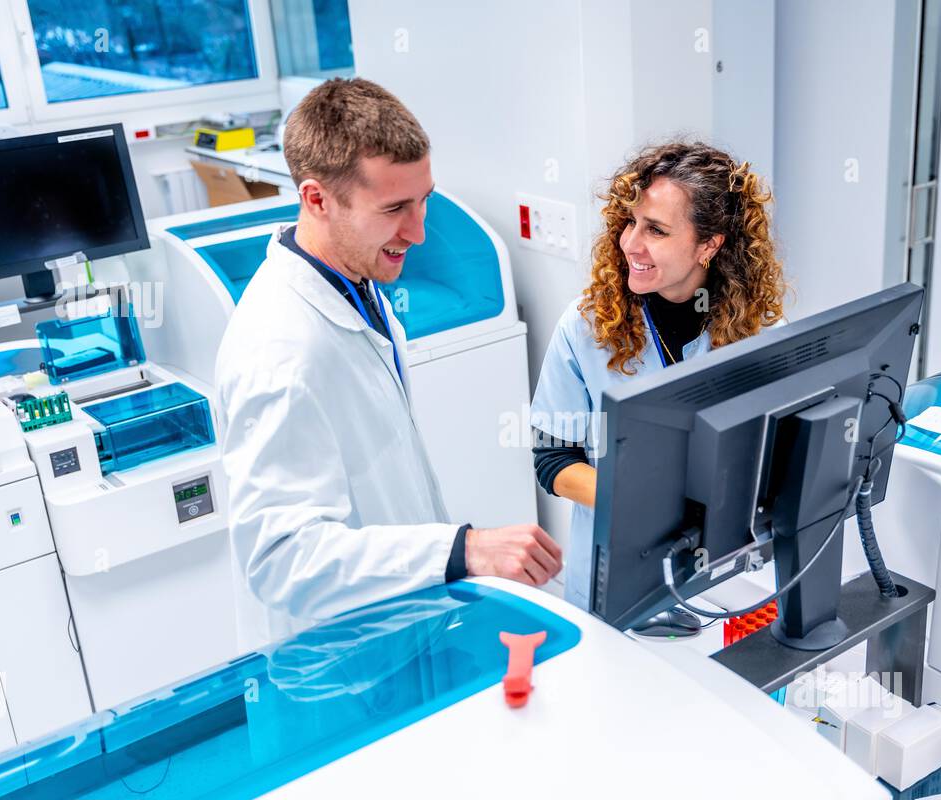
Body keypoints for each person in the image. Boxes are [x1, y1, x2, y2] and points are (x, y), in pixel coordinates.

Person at [216, 78, 561, 647]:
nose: (420, 232)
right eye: (395, 208)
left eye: (424, 199)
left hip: (394, 623)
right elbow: (281, 559)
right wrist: (463, 549)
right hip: (332, 666)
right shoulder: (279, 354)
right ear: (317, 200)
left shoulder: (354, 279)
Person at [530, 141, 786, 611]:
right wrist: (639, 506)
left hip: (725, 574)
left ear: (709, 244)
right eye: (630, 221)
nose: (631, 243)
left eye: (656, 230)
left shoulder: (761, 335)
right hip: (616, 570)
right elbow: (552, 460)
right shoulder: (587, 328)